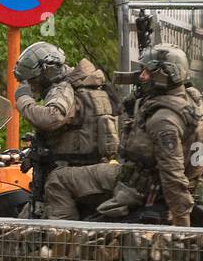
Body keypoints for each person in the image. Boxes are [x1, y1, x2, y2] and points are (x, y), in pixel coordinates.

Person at [97, 42, 203, 227]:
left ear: (165, 75)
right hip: (169, 181)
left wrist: (182, 229)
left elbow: (172, 175)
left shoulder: (164, 119)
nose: (142, 76)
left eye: (148, 72)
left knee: (60, 179)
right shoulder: (193, 100)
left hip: (141, 187)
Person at [12, 41, 126, 220]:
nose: (32, 86)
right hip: (98, 167)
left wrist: (23, 99)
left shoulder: (63, 88)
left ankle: (63, 237)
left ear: (47, 72)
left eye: (33, 80)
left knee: (56, 182)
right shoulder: (90, 86)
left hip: (81, 171)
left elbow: (51, 117)